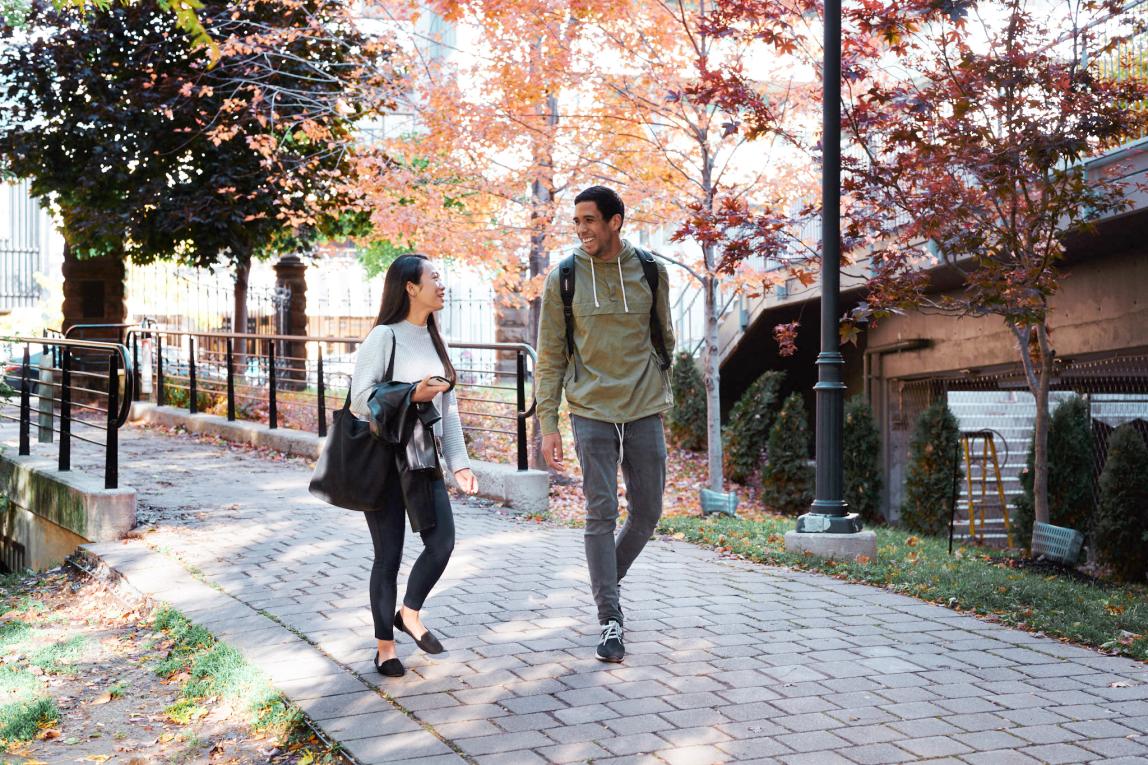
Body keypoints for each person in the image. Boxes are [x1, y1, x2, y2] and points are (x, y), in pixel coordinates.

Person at [535, 186, 675, 663]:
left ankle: (603, 579)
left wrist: (658, 386)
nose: (582, 229)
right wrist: (547, 422)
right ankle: (609, 617)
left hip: (642, 406)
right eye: (577, 221)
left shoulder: (652, 271)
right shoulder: (565, 277)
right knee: (600, 512)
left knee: (648, 512)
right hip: (590, 409)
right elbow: (551, 354)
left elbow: (665, 336)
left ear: (615, 221)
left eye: (590, 220)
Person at [350, 254, 479, 677]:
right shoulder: (383, 337)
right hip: (385, 459)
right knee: (387, 556)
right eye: (434, 277)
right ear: (410, 287)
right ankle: (385, 649)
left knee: (441, 543)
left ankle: (409, 612)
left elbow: (451, 411)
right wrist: (411, 394)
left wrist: (459, 463)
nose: (442, 284)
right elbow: (358, 400)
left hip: (424, 459)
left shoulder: (435, 339)